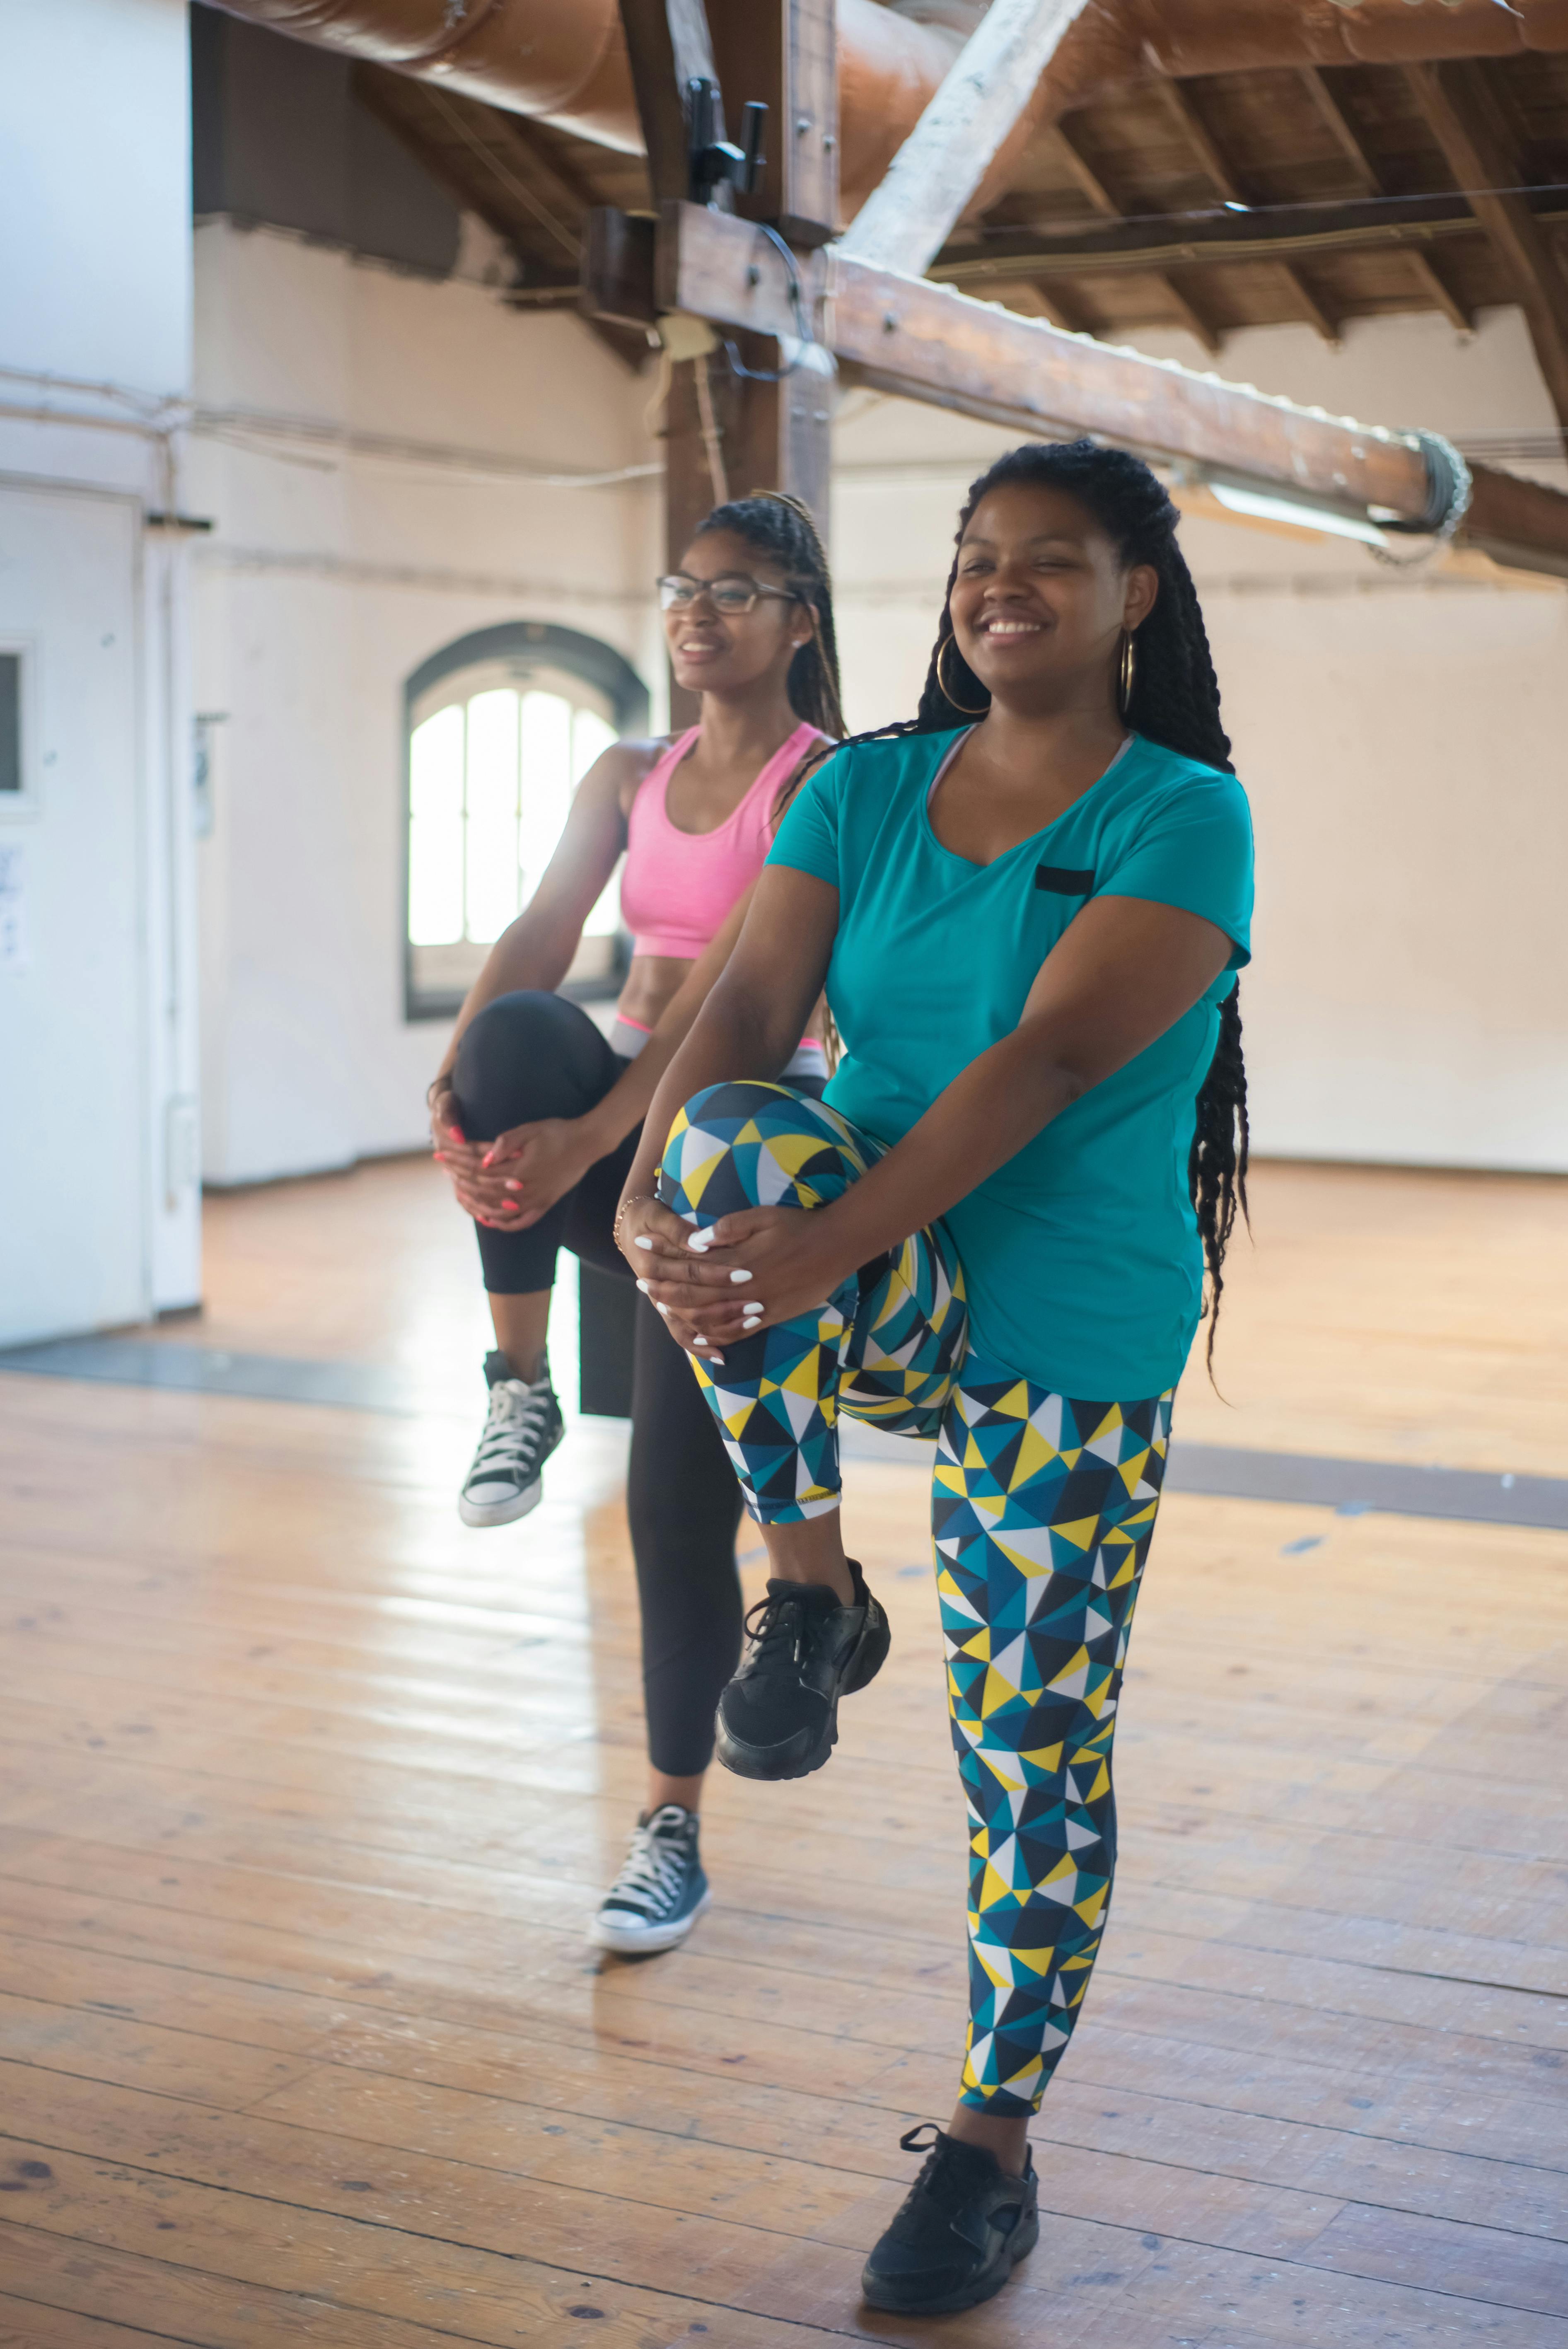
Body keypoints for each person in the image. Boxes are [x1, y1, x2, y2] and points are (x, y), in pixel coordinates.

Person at [615, 442, 1253, 2316]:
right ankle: (806, 1581)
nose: (1000, 588)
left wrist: (811, 1245)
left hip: (1058, 1331)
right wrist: (659, 1193)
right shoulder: (870, 789)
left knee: (1027, 1741)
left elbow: (1050, 1058)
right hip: (874, 1280)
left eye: (1050, 562)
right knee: (730, 1137)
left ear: (1137, 596)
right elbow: (738, 1008)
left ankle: (985, 2137)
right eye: (978, 559)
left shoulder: (1181, 813)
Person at [425, 491, 843, 1956]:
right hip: (615, 1135)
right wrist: (459, 1086)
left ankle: (670, 1826)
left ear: (801, 620)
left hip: (733, 1160)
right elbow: (544, 929)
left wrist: (586, 1145)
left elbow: (740, 995)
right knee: (520, 1029)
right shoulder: (623, 771)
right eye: (684, 586)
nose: (698, 610)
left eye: (737, 591)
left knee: (674, 1515)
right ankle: (518, 1386)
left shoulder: (818, 782)